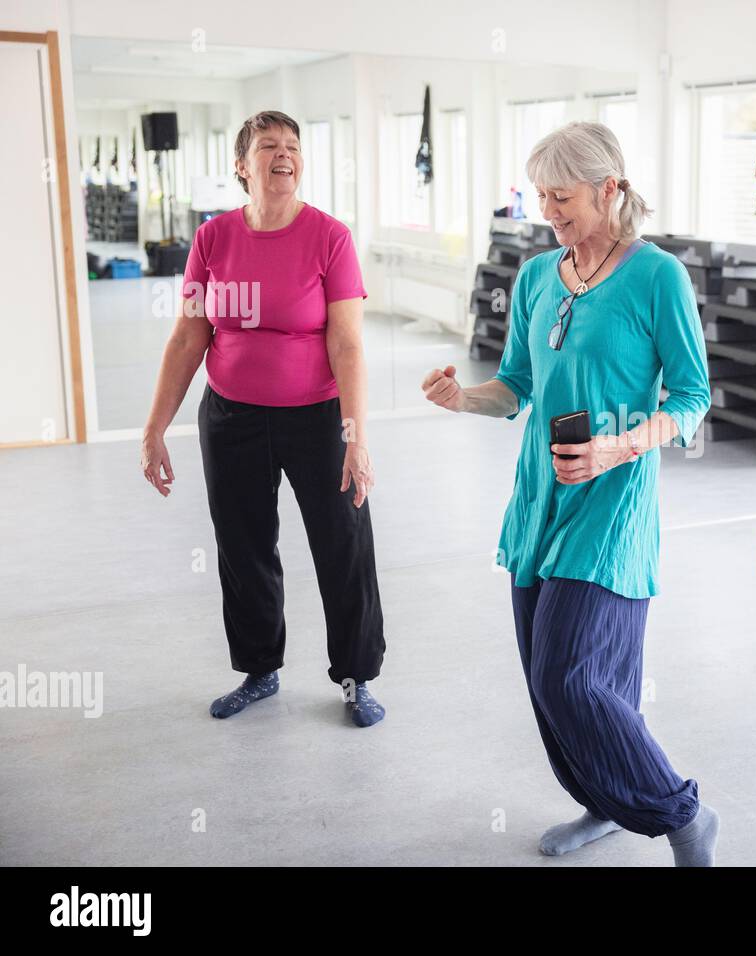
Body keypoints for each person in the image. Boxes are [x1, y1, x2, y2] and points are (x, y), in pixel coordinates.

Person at [421, 122, 717, 865]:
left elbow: (691, 399)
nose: (549, 212)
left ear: (609, 190)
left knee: (570, 673)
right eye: (541, 198)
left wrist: (619, 446)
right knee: (553, 680)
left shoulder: (657, 278)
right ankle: (603, 801)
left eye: (562, 197)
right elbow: (516, 387)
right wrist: (464, 399)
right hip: (539, 498)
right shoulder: (535, 277)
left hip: (613, 501)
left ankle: (684, 816)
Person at [141, 110, 387, 727]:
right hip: (231, 419)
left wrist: (355, 437)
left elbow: (348, 345)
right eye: (269, 146)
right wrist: (154, 428)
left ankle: (356, 675)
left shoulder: (329, 237)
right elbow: (188, 338)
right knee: (244, 545)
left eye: (293, 146)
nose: (284, 155)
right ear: (241, 166)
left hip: (318, 418)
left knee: (343, 544)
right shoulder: (212, 240)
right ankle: (260, 668)